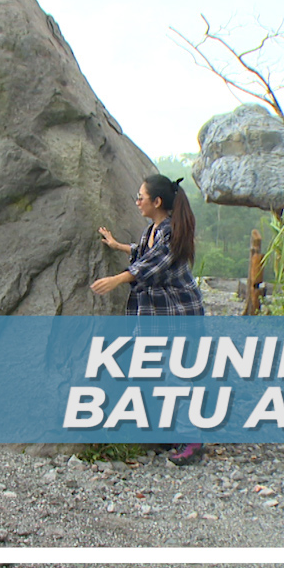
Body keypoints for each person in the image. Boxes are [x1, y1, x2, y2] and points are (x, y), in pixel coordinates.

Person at [91, 173, 206, 465]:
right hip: (160, 315)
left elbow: (155, 263)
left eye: (141, 196)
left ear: (157, 201)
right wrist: (117, 246)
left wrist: (117, 279)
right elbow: (144, 252)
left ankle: (192, 440)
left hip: (179, 314)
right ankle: (175, 431)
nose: (137, 201)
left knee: (177, 375)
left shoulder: (172, 231)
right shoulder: (152, 230)